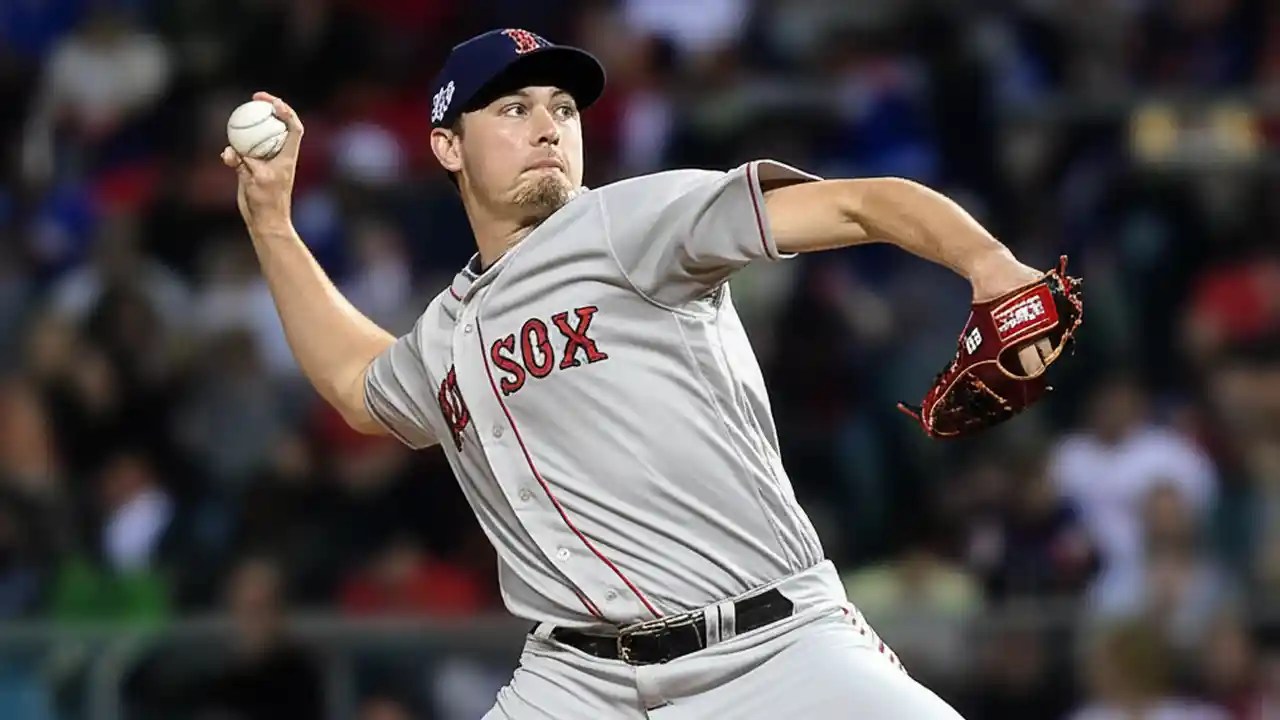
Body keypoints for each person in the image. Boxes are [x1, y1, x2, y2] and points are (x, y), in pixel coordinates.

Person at [221, 26, 1049, 720]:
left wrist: (991, 264)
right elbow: (358, 384)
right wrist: (270, 222)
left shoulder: (630, 221)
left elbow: (855, 204)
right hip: (580, 682)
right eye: (513, 109)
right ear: (446, 145)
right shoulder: (443, 331)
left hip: (770, 648)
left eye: (564, 108)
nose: (549, 127)